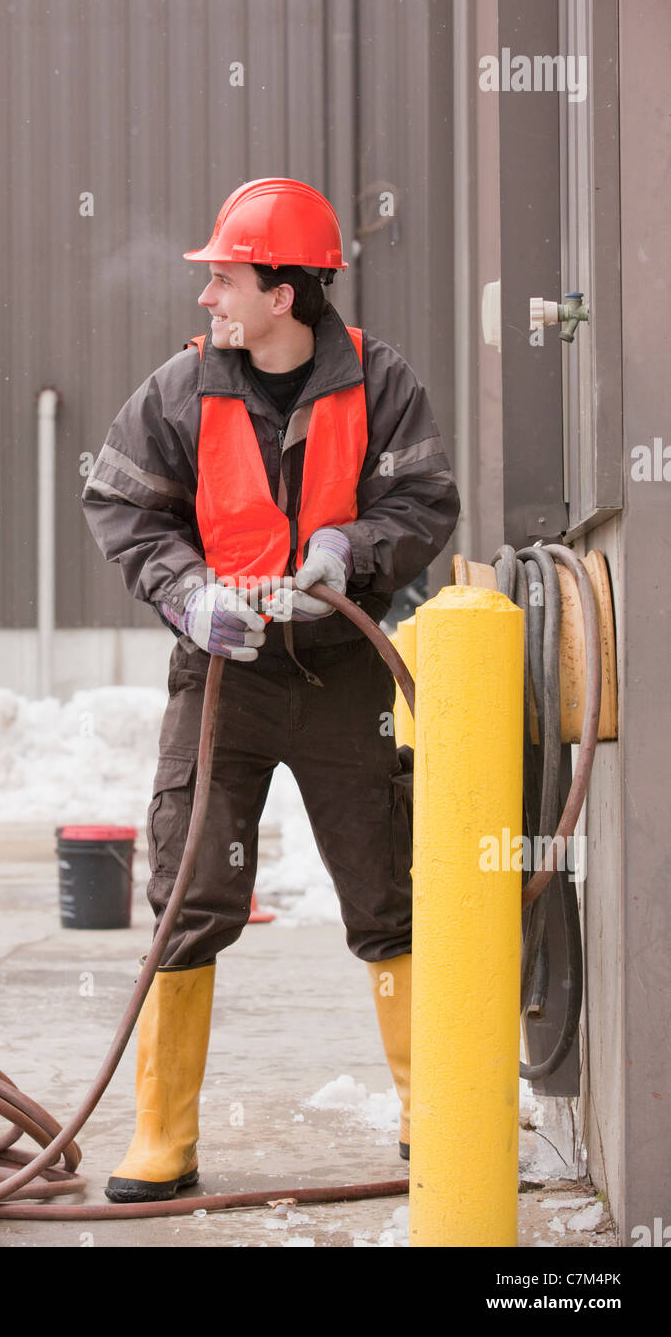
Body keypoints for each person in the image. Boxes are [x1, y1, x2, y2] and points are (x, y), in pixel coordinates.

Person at [82, 177, 460, 1202]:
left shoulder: (381, 383)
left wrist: (356, 546)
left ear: (283, 292)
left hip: (340, 675)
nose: (207, 298)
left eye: (225, 279)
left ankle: (435, 1121)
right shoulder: (179, 388)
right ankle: (160, 1138)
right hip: (221, 677)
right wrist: (186, 592)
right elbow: (119, 505)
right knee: (189, 895)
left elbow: (424, 497)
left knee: (387, 895)